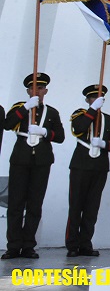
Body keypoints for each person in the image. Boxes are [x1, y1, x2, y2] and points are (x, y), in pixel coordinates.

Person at [2, 73, 65, 260]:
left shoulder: (51, 112)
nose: (36, 91)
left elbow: (60, 137)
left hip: (42, 160)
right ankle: (13, 246)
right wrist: (25, 109)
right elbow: (7, 124)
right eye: (33, 88)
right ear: (28, 91)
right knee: (15, 203)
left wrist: (45, 131)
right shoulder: (19, 108)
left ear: (45, 90)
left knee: (35, 204)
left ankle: (29, 245)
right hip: (21, 159)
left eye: (40, 88)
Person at [65, 84, 110, 257]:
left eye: (99, 99)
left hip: (99, 167)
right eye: (93, 98)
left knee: (91, 208)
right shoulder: (80, 114)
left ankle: (85, 243)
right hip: (80, 166)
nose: (96, 101)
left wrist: (105, 144)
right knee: (76, 206)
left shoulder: (109, 120)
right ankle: (72, 244)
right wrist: (92, 110)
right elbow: (79, 128)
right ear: (88, 100)